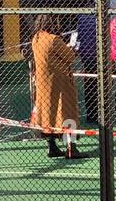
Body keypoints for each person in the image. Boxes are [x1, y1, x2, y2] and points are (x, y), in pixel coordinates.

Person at [31, 15, 81, 159]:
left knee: (47, 115)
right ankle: (71, 148)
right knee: (67, 113)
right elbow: (70, 57)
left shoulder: (36, 39)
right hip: (60, 82)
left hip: (43, 83)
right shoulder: (53, 39)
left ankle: (51, 146)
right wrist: (71, 48)